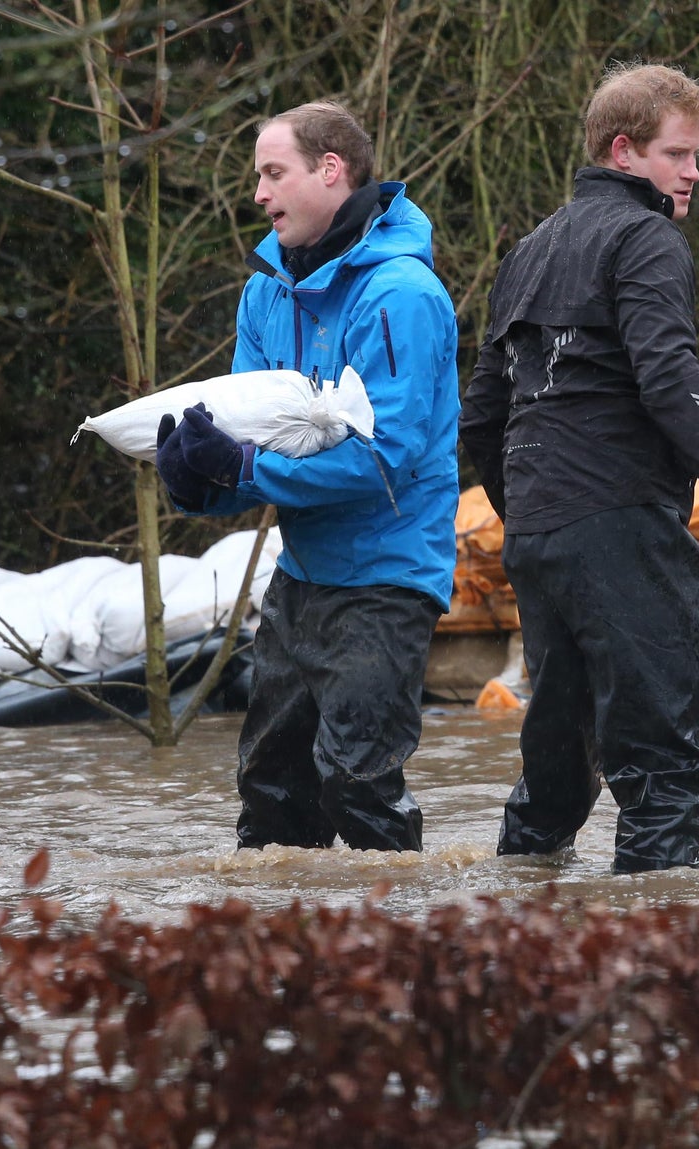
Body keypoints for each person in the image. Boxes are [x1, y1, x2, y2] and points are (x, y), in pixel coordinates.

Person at [458, 62, 699, 873]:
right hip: (621, 523)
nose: (693, 173)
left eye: (696, 156)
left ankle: (518, 932)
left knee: (553, 769)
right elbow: (670, 376)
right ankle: (659, 958)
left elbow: (482, 413)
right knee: (667, 762)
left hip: (540, 535)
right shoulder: (646, 238)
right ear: (624, 151)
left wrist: (531, 514)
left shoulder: (529, 249)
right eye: (679, 154)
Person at [155, 101, 460, 852]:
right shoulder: (265, 293)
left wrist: (245, 465)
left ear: (331, 170)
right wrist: (201, 482)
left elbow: (383, 459)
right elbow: (252, 436)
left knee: (357, 784)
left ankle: (405, 943)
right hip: (302, 577)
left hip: (389, 579)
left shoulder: (402, 297)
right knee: (270, 795)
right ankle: (284, 958)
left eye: (273, 173)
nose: (258, 193)